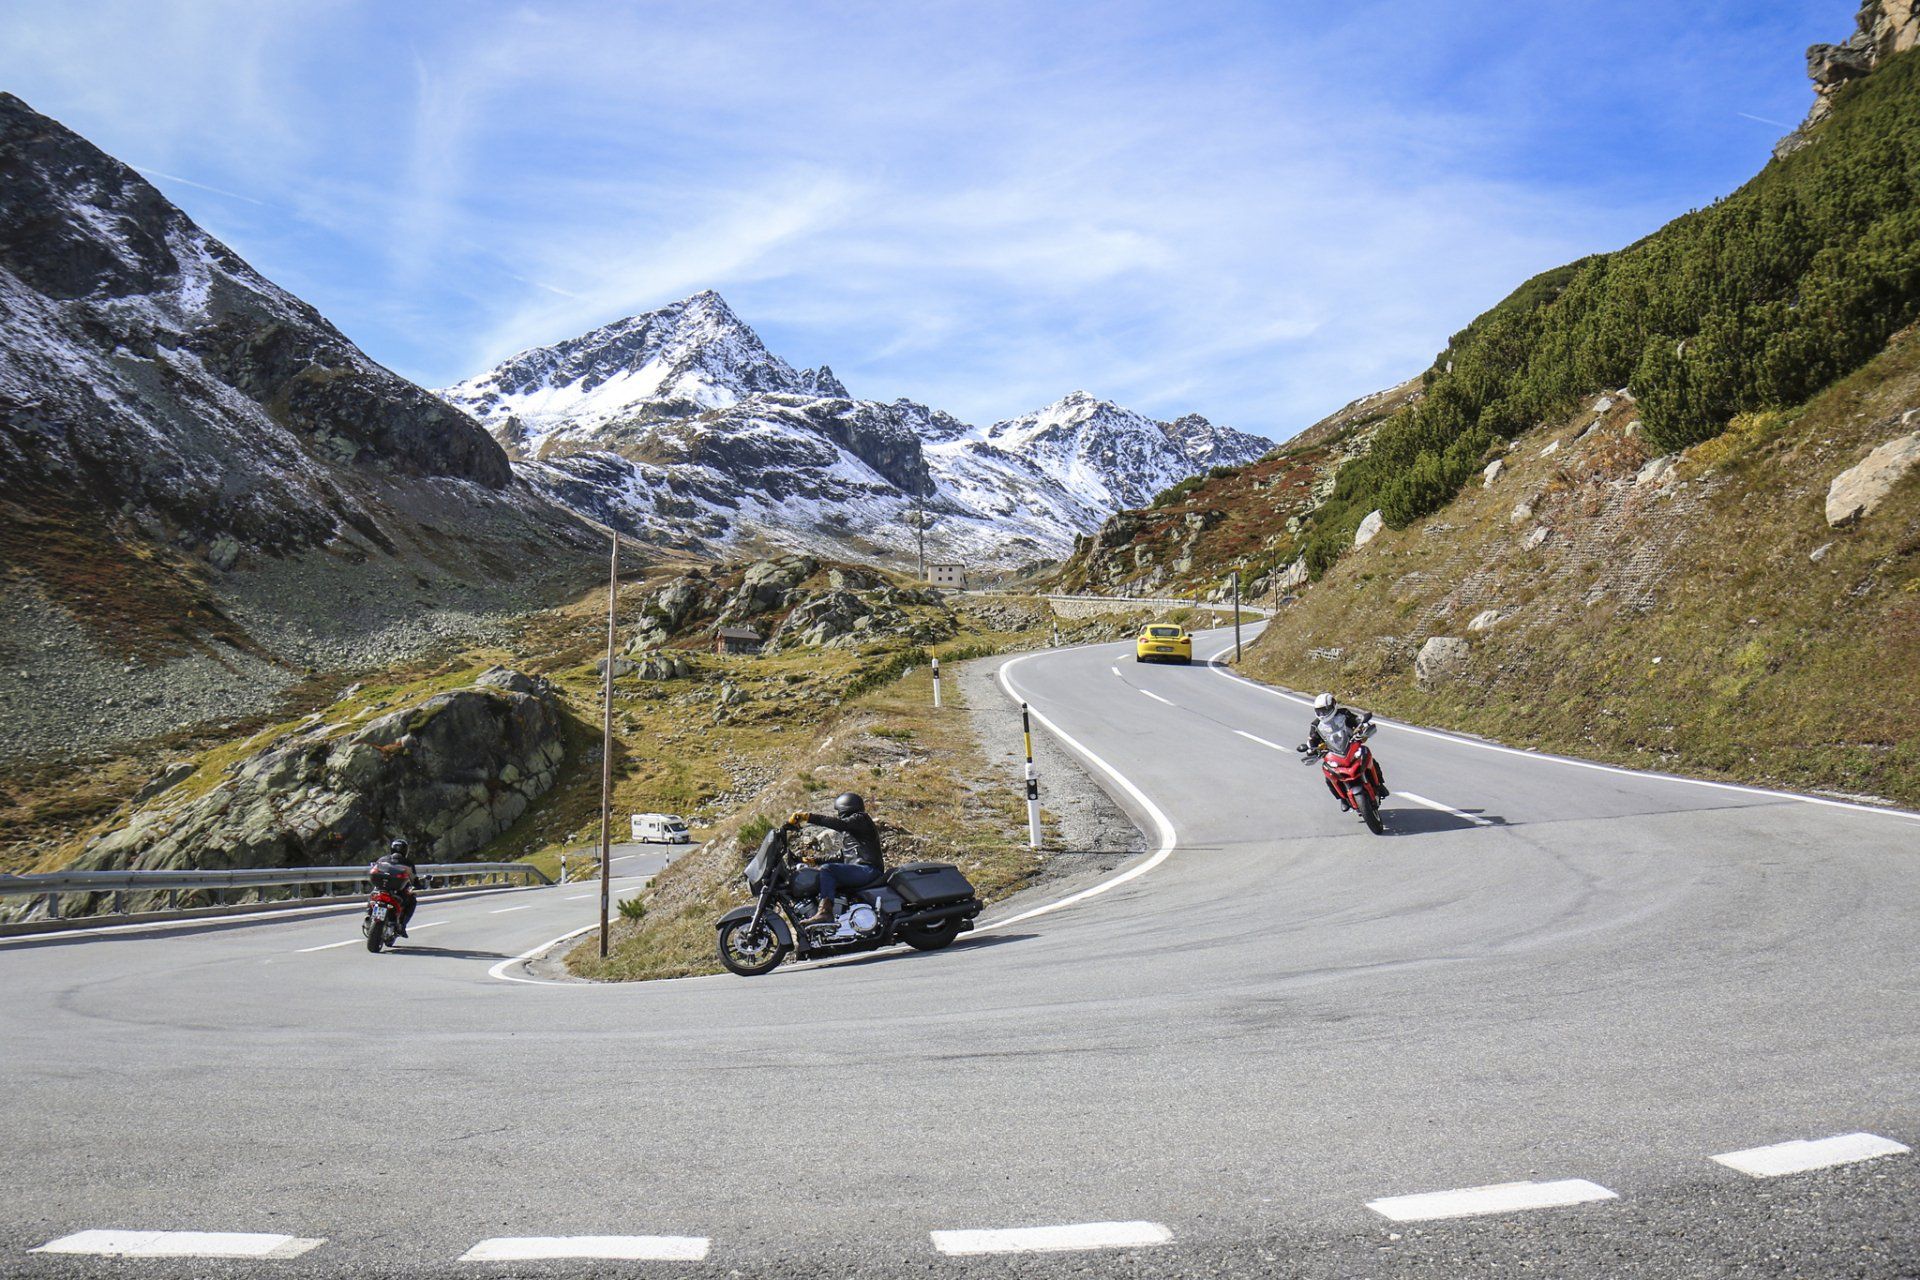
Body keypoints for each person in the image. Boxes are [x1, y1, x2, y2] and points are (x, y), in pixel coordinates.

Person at [789, 793, 884, 926]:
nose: (838, 813)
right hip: (861, 870)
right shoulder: (853, 830)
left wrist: (808, 817)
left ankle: (825, 912)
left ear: (844, 807)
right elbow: (840, 857)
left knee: (828, 870)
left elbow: (840, 824)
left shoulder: (861, 819)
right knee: (827, 871)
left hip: (868, 869)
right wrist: (812, 861)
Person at [1305, 693, 1388, 805]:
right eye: (1319, 711)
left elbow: (1356, 721)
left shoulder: (1344, 713)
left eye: (1325, 710)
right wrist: (1311, 749)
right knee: (1329, 776)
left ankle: (1380, 785)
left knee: (1370, 759)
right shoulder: (1316, 725)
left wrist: (1362, 725)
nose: (1322, 713)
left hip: (1350, 744)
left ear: (1333, 705)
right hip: (1333, 752)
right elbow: (1311, 739)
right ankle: (1343, 799)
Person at [371, 838, 422, 938]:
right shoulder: (408, 863)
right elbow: (414, 880)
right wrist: (420, 885)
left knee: (372, 896)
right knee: (412, 900)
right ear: (405, 850)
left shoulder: (382, 859)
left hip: (381, 889)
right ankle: (402, 926)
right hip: (397, 892)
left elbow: (374, 870)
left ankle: (368, 914)